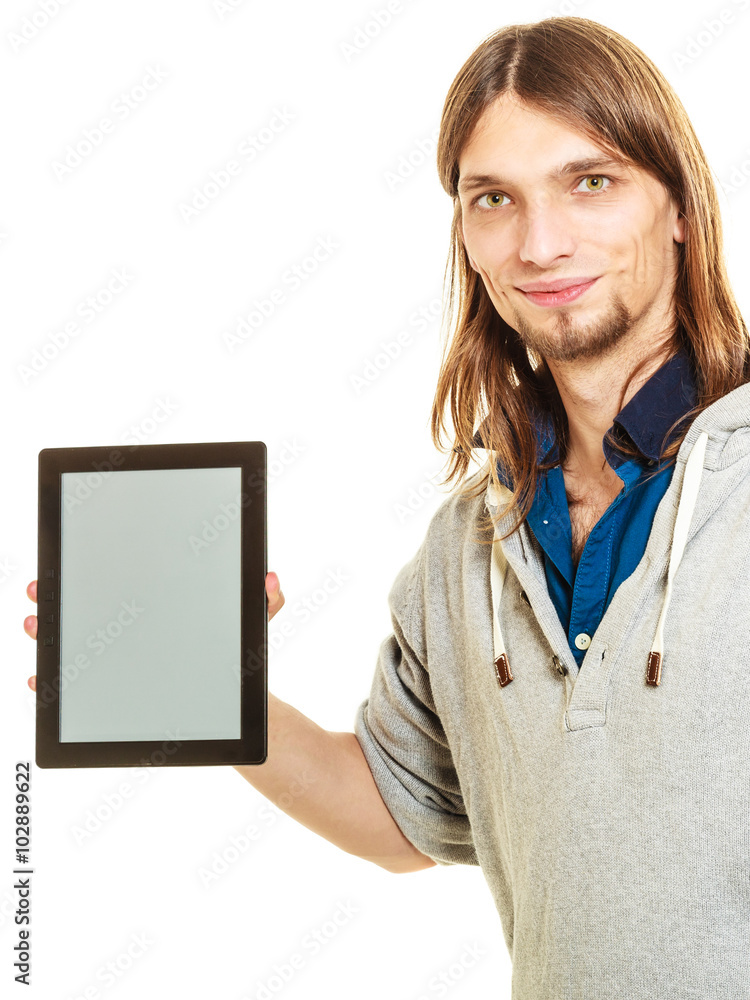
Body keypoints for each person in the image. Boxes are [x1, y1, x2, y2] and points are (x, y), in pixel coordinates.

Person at [24, 16, 750, 997]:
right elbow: (399, 816)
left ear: (680, 206)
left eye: (590, 182)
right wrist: (207, 685)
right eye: (495, 198)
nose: (541, 243)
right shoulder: (467, 545)